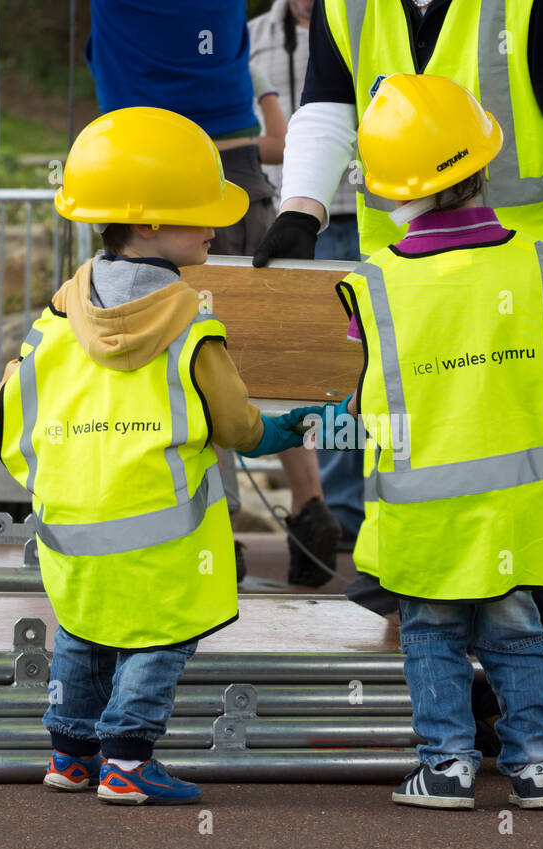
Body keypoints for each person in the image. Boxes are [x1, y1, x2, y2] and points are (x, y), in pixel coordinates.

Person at [253, 0, 543, 769]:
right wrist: (303, 205)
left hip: (530, 269)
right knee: (433, 481)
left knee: (528, 490)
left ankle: (533, 711)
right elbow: (329, 106)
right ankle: (483, 719)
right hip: (413, 278)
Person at [0, 107, 320, 805]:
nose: (214, 226)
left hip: (71, 526)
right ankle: (129, 761)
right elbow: (240, 428)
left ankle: (72, 753)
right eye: (197, 214)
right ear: (145, 224)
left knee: (82, 631)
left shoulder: (55, 320)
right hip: (164, 534)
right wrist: (295, 429)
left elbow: (1, 411)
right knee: (158, 638)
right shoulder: (193, 329)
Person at [308, 73, 543, 810]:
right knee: (517, 631)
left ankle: (446, 767)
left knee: (432, 636)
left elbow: (365, 390)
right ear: (481, 165)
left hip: (426, 517)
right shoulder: (541, 265)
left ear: (388, 187)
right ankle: (535, 765)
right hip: (518, 513)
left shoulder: (375, 286)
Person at [86, 0, 342, 587]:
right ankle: (310, 505)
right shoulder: (224, 17)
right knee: (266, 363)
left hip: (161, 207)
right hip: (246, 188)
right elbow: (275, 131)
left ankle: (218, 527)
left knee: (186, 363)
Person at [250, 0, 367, 551]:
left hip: (369, 216)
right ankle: (328, 505)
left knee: (364, 362)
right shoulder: (252, 39)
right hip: (297, 223)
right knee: (316, 365)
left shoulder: (363, 21)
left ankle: (354, 505)